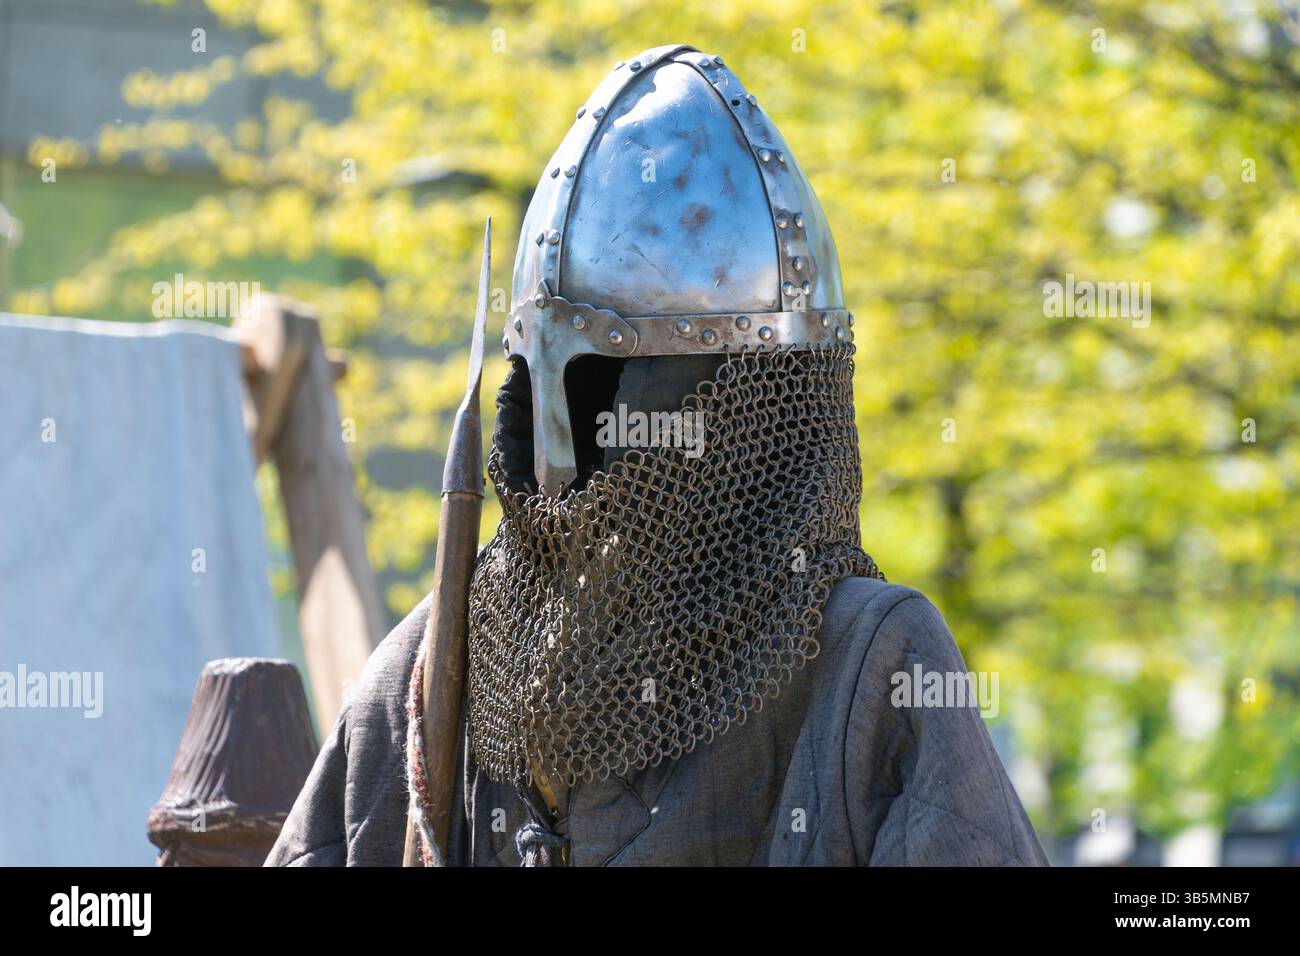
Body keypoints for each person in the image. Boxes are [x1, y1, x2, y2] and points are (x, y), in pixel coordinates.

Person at [267, 44, 1047, 867]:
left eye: (610, 384)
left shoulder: (868, 664)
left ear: (760, 406)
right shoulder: (435, 671)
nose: (571, 456)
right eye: (559, 386)